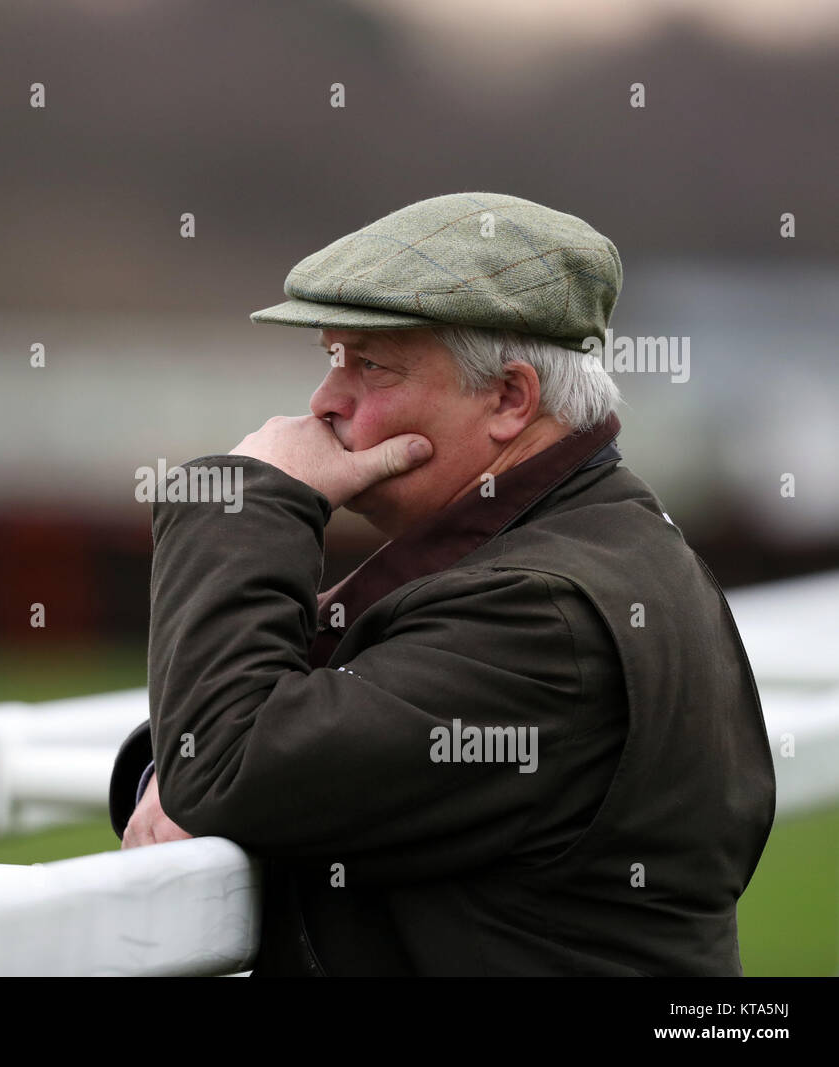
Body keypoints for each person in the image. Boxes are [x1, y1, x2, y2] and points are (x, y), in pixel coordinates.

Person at [107, 191, 776, 976]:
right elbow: (265, 747)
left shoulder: (543, 610)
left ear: (509, 398)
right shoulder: (592, 542)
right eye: (332, 359)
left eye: (370, 364)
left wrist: (249, 495)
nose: (325, 401)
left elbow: (232, 763)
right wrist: (182, 773)